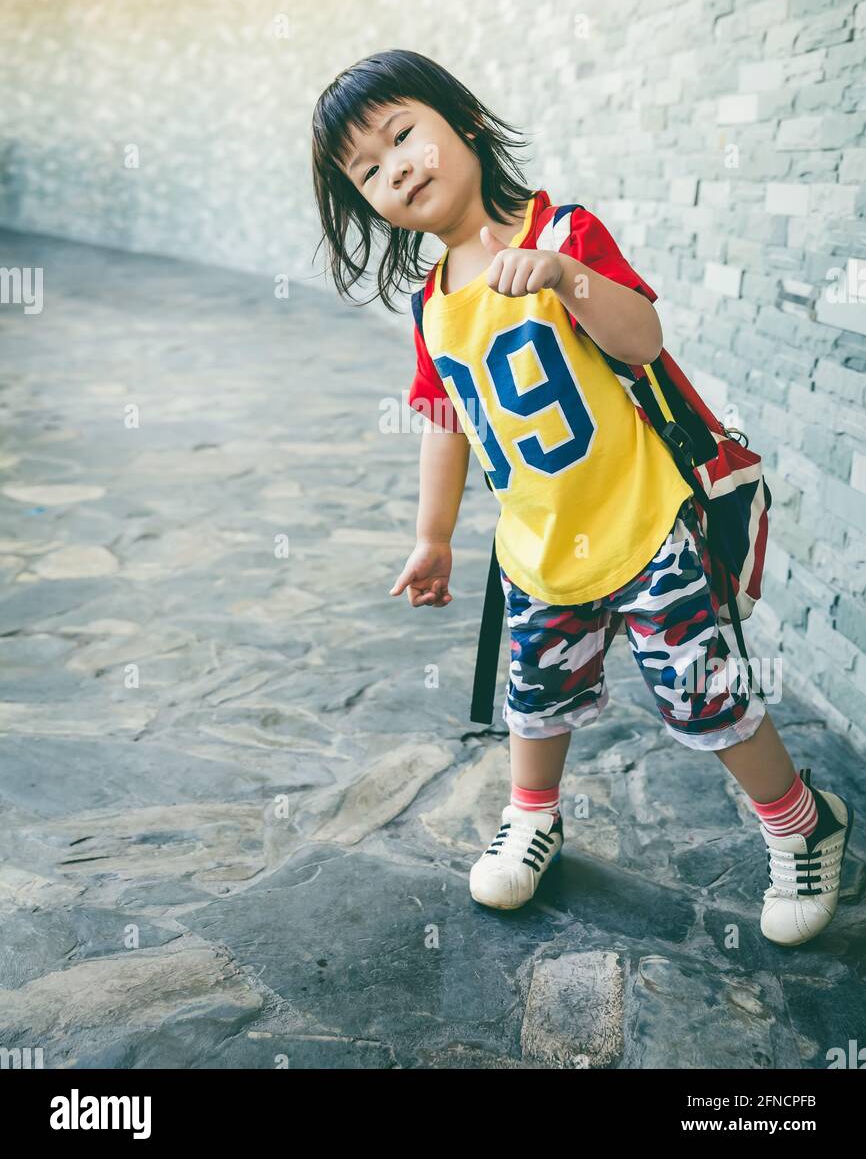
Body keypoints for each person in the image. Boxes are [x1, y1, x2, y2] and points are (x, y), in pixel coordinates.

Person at [311, 48, 853, 946]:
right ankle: (533, 816)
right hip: (537, 547)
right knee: (536, 699)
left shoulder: (560, 232)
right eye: (368, 169)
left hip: (646, 527)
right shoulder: (430, 306)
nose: (396, 166)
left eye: (403, 133)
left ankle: (802, 824)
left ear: (467, 125)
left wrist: (565, 277)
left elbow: (641, 339)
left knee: (707, 696)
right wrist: (434, 535)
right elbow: (444, 417)